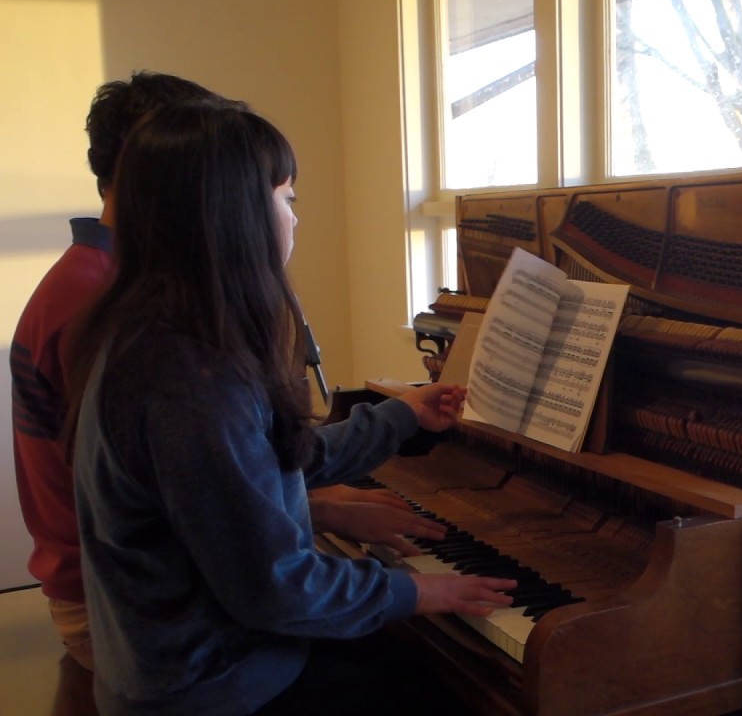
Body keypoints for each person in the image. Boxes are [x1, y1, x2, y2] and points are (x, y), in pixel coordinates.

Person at [62, 101, 516, 715]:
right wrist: (418, 590)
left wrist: (403, 416)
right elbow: (275, 588)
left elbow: (263, 460)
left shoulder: (151, 334)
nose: (295, 221)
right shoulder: (188, 379)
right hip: (211, 688)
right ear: (232, 217)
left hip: (184, 667)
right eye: (287, 198)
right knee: (434, 687)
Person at [10, 72, 439, 683]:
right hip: (135, 622)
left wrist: (385, 432)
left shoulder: (131, 296)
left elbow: (201, 476)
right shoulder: (133, 324)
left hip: (153, 601)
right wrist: (322, 519)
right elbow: (212, 513)